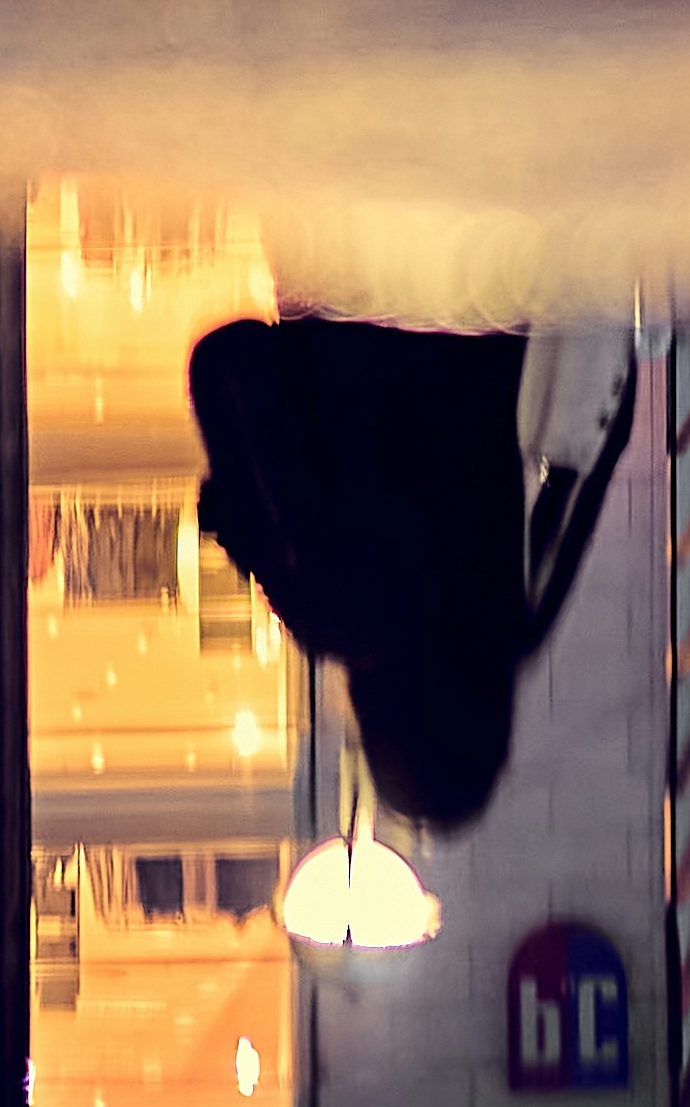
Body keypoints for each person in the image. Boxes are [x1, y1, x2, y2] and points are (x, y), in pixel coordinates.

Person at [187, 312, 638, 827]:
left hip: (499, 291)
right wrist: (242, 518)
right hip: (349, 278)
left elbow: (603, 432)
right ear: (381, 738)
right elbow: (228, 360)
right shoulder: (336, 611)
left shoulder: (517, 619)